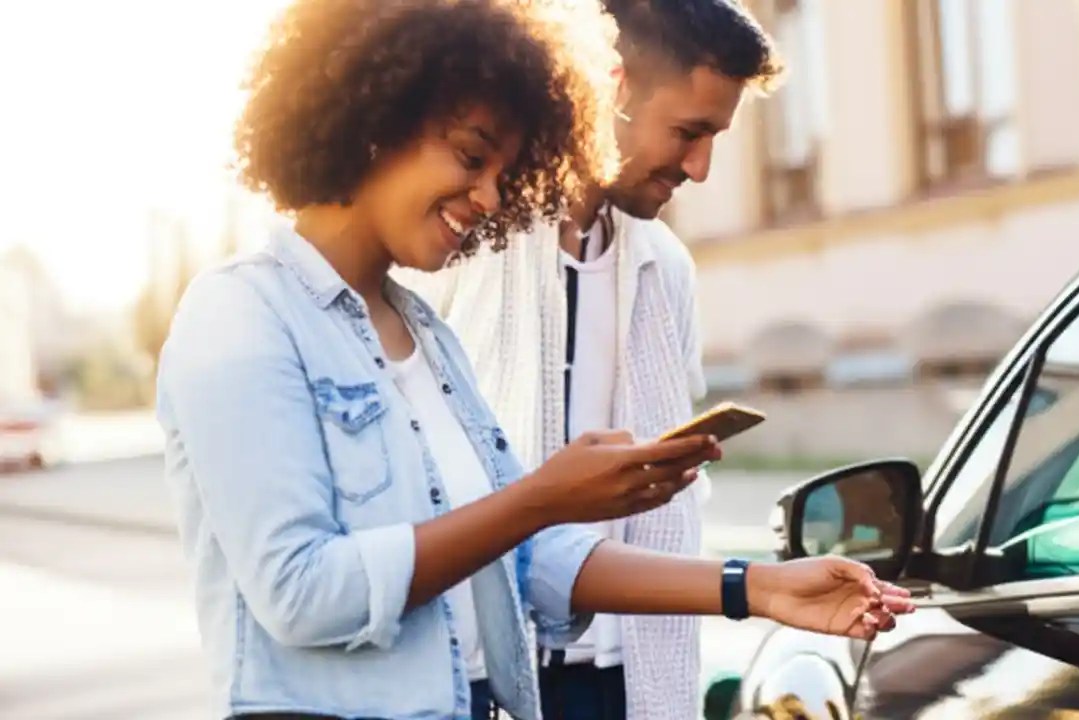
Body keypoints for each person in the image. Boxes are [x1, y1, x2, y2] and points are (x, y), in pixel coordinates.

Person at [156, 1, 913, 719]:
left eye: (503, 170)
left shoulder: (425, 335)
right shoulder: (241, 315)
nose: (490, 197)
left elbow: (526, 561)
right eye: (472, 157)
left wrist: (760, 587)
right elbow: (301, 593)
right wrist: (540, 498)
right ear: (376, 121)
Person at [417, 2, 782, 717]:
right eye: (688, 132)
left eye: (714, 139)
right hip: (482, 675)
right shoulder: (461, 236)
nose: (700, 169)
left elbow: (679, 506)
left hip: (626, 676)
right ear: (612, 87)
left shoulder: (665, 267)